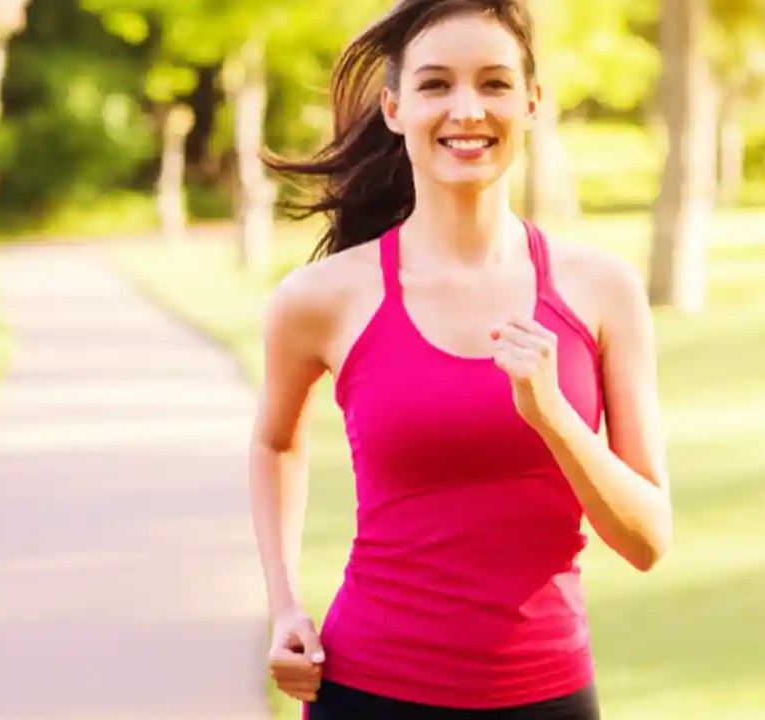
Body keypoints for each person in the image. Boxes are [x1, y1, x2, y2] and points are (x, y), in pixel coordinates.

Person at [247, 0, 672, 717]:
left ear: (533, 103)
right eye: (437, 84)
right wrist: (284, 604)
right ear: (394, 108)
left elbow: (647, 540)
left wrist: (555, 419)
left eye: (495, 83)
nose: (467, 109)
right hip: (369, 689)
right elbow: (274, 440)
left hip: (548, 694)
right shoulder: (321, 298)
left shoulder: (602, 290)